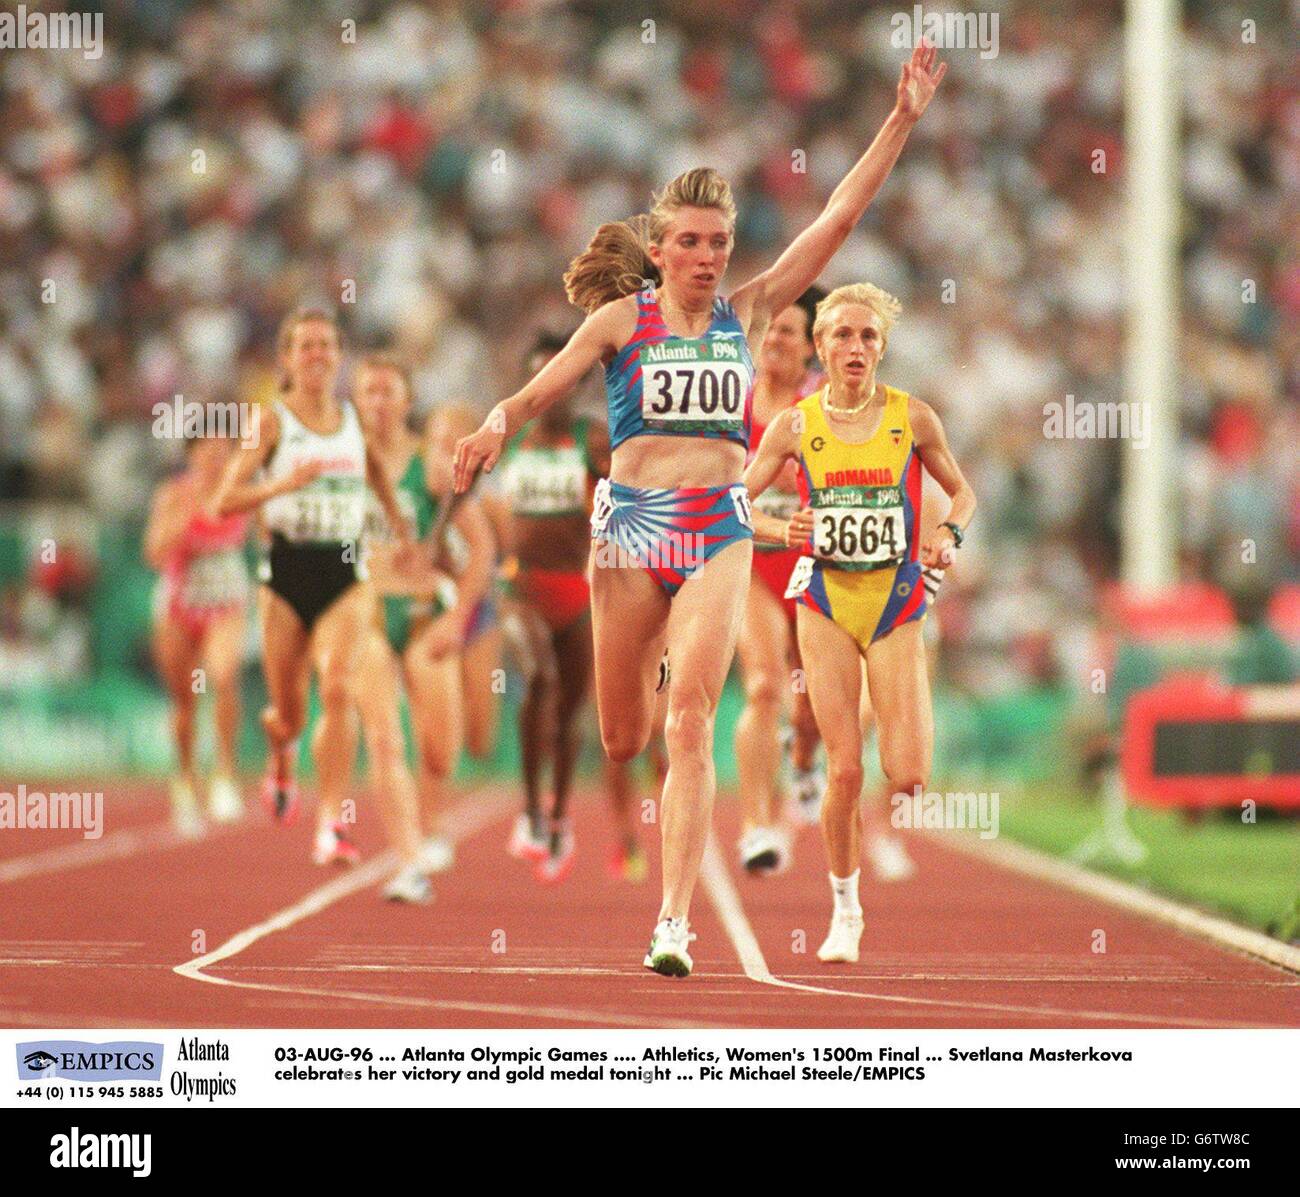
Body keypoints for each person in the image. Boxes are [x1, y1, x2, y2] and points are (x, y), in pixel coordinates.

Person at [455, 43, 947, 977]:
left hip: (717, 526)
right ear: (657, 247)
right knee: (624, 734)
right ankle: (645, 819)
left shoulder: (751, 311)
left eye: (719, 242)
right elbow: (537, 392)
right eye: (688, 242)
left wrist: (903, 119)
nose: (706, 258)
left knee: (690, 720)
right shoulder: (619, 323)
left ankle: (672, 923)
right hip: (631, 530)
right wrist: (490, 426)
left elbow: (838, 219)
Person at [744, 282, 975, 964]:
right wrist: (783, 526)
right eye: (841, 335)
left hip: (896, 599)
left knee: (907, 777)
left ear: (882, 347)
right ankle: (846, 908)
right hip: (824, 599)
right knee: (845, 769)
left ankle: (874, 781)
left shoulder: (913, 417)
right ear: (821, 346)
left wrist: (949, 537)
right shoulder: (795, 424)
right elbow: (736, 500)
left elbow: (962, 492)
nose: (855, 347)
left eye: (868, 336)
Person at [209, 308, 412, 867]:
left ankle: (331, 823)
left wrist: (399, 526)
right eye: (306, 346)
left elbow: (374, 476)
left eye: (327, 345)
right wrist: (283, 483)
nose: (318, 355)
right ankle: (281, 751)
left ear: (339, 356)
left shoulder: (352, 419)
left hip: (345, 572)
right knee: (291, 712)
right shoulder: (272, 423)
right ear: (287, 359)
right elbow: (223, 500)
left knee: (339, 687)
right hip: (286, 574)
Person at [355, 353, 494, 885]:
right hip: (368, 613)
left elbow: (482, 547)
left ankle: (432, 824)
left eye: (389, 391)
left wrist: (458, 618)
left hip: (425, 615)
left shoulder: (431, 468)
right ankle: (409, 858)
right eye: (368, 391)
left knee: (439, 746)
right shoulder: (343, 466)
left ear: (407, 401)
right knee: (385, 737)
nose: (378, 402)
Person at [735, 287, 826, 875]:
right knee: (764, 686)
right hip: (752, 564)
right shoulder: (734, 402)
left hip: (813, 565)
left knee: (810, 706)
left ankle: (803, 760)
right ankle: (755, 826)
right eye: (768, 329)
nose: (773, 340)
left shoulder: (822, 405)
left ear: (811, 346)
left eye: (788, 331)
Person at [144, 432, 250, 834]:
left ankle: (224, 774)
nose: (216, 462)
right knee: (184, 701)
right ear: (191, 456)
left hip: (225, 602)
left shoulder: (241, 492)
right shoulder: (173, 494)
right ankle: (186, 779)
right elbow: (153, 553)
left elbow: (266, 534)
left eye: (224, 454)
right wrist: (185, 516)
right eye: (207, 453)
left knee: (223, 678)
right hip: (179, 603)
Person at [428, 403, 507, 763]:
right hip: (433, 609)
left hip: (480, 612)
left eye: (452, 445)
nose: (444, 454)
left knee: (479, 736)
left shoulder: (489, 502)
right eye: (437, 443)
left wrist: (497, 582)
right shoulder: (423, 493)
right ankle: (430, 809)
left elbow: (509, 557)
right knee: (442, 719)